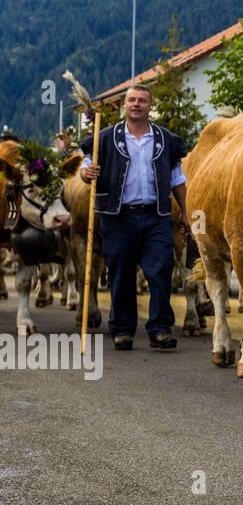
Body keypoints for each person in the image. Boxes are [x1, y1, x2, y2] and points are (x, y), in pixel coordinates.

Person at [79, 84, 189, 350]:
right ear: (124, 106)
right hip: (118, 217)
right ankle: (122, 329)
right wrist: (87, 173)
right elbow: (85, 168)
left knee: (161, 269)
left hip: (156, 215)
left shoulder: (166, 140)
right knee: (121, 273)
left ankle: (160, 328)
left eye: (142, 100)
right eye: (131, 100)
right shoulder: (103, 138)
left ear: (150, 106)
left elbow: (177, 179)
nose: (136, 104)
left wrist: (186, 212)